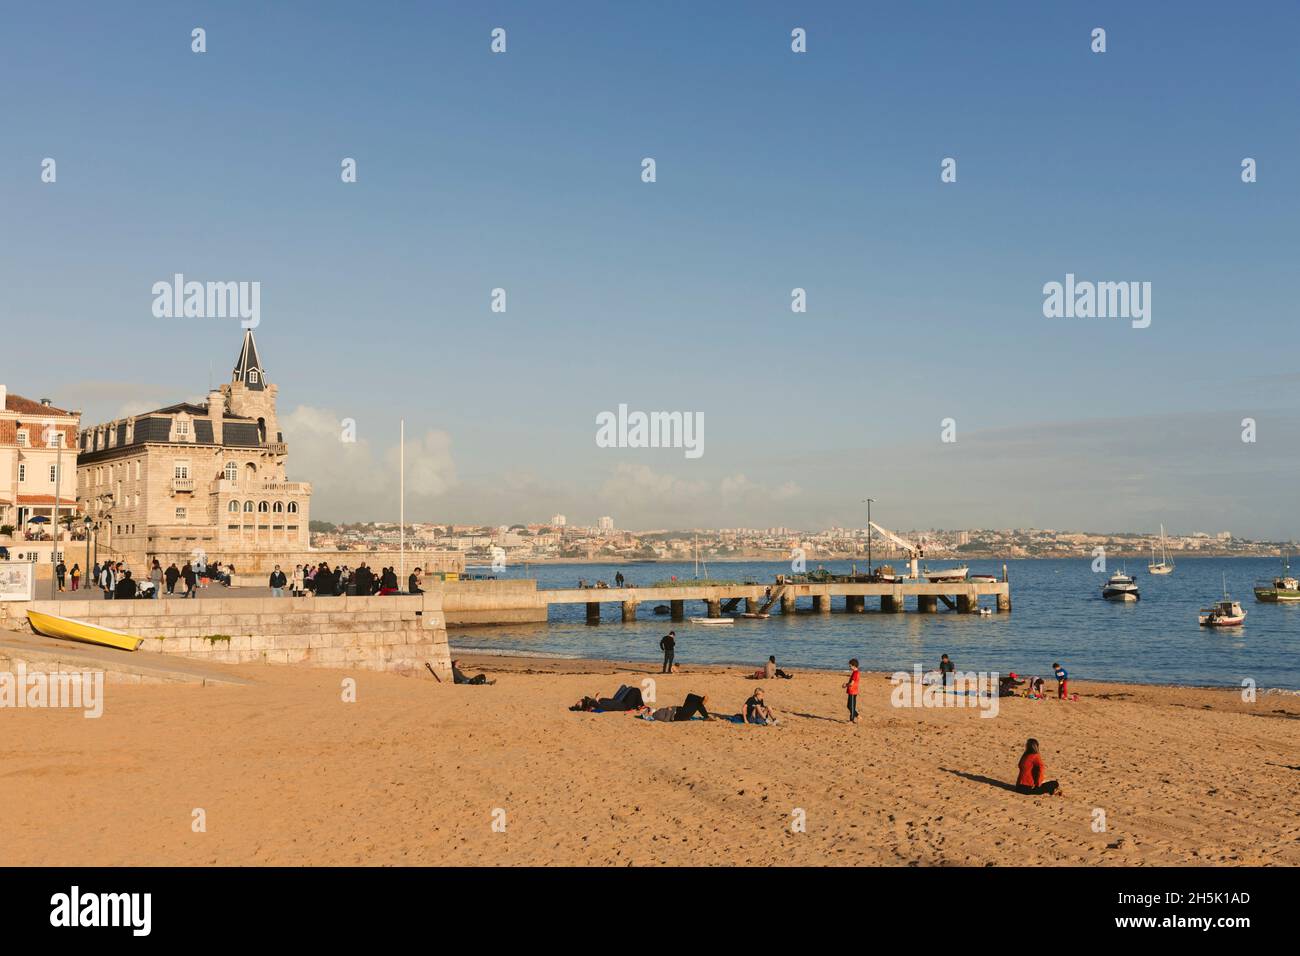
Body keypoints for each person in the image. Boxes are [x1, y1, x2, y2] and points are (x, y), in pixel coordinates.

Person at [845, 658, 861, 724]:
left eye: (850, 666)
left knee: (851, 706)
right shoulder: (855, 672)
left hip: (853, 691)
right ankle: (858, 716)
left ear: (854, 666)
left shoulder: (855, 673)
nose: (849, 667)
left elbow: (852, 683)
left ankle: (851, 720)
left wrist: (845, 685)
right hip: (852, 691)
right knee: (849, 706)